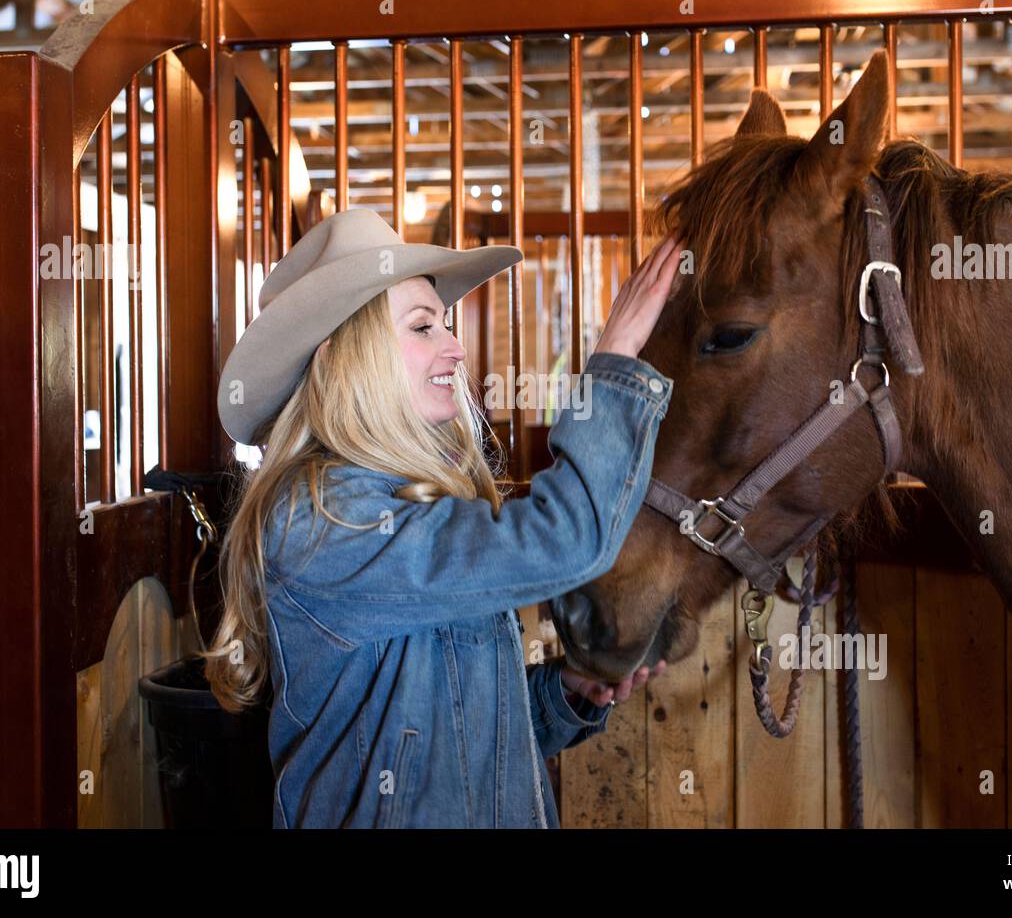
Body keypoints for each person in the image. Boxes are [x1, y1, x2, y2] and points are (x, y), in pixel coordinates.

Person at [205, 206, 682, 827]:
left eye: (446, 325)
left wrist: (566, 694)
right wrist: (615, 361)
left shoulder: (416, 503)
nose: (456, 349)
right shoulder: (322, 520)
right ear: (345, 355)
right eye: (424, 326)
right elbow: (567, 540)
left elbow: (465, 739)